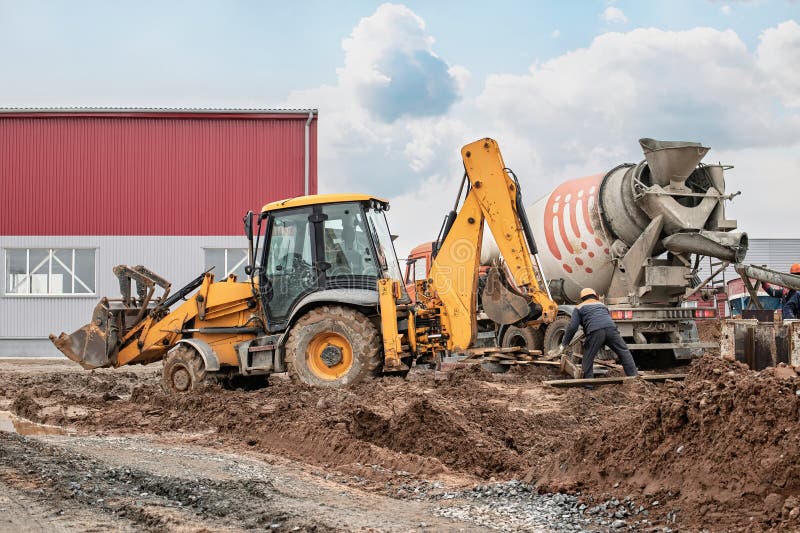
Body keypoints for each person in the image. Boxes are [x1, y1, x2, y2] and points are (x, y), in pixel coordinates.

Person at [554, 288, 639, 380]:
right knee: (624, 352)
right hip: (611, 329)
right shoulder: (602, 305)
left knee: (588, 358)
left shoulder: (579, 307)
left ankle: (589, 385)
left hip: (595, 332)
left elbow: (572, 327)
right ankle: (634, 378)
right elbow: (604, 319)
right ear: (596, 296)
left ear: (582, 298)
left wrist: (564, 343)